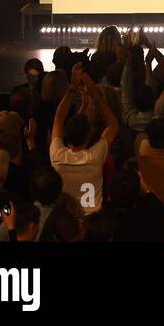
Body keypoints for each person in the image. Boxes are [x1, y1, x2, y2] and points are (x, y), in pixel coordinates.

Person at [49, 63, 120, 215]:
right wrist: (96, 94)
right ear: (89, 134)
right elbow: (113, 125)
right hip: (93, 221)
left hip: (67, 223)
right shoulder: (95, 156)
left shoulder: (57, 156)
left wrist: (72, 88)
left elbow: (58, 118)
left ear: (66, 135)